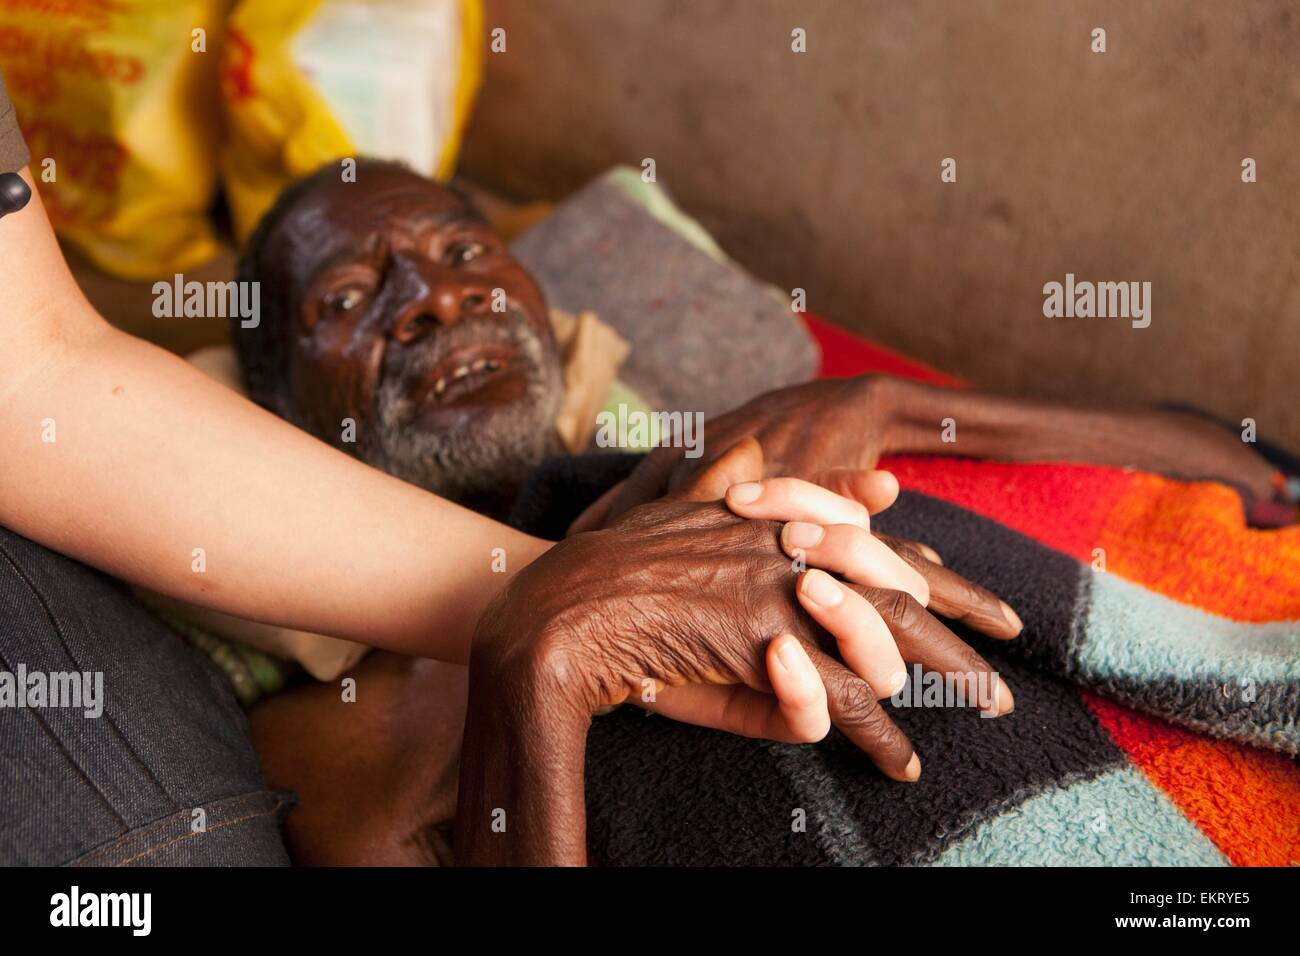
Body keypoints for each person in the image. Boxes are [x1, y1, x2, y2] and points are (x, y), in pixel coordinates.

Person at [228, 161, 1283, 864]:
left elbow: (1242, 468)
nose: (435, 297)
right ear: (283, 411)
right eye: (344, 297)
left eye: (463, 252)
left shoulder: (723, 448)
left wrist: (882, 402)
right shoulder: (333, 730)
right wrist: (536, 651)